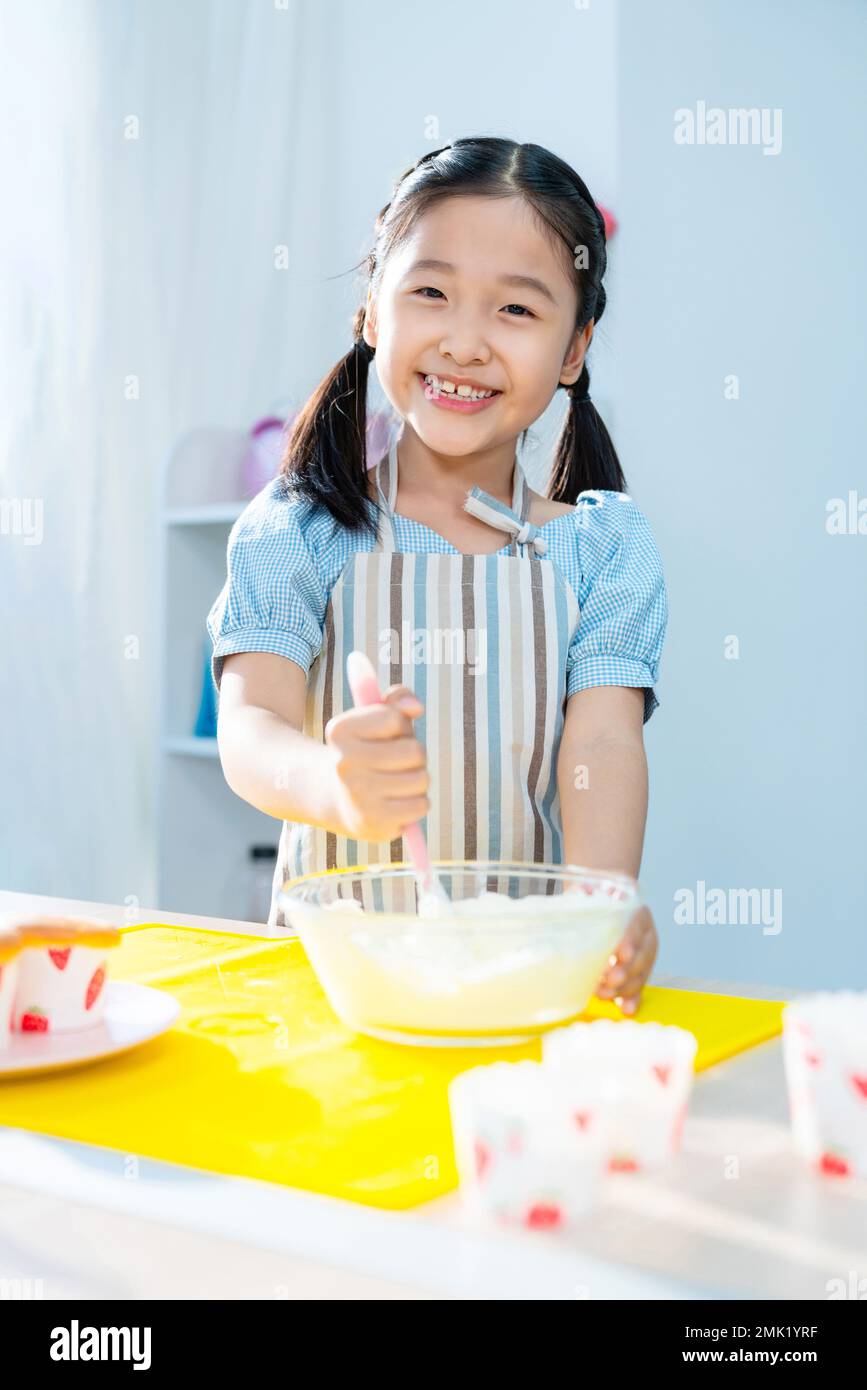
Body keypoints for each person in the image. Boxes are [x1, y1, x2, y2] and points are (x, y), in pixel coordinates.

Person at [207, 137, 667, 1012]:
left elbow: (603, 744)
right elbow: (251, 727)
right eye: (430, 292)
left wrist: (600, 902)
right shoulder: (298, 529)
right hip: (330, 991)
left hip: (519, 980)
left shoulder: (604, 551)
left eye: (516, 312)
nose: (463, 342)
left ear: (574, 349)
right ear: (373, 313)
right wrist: (331, 785)